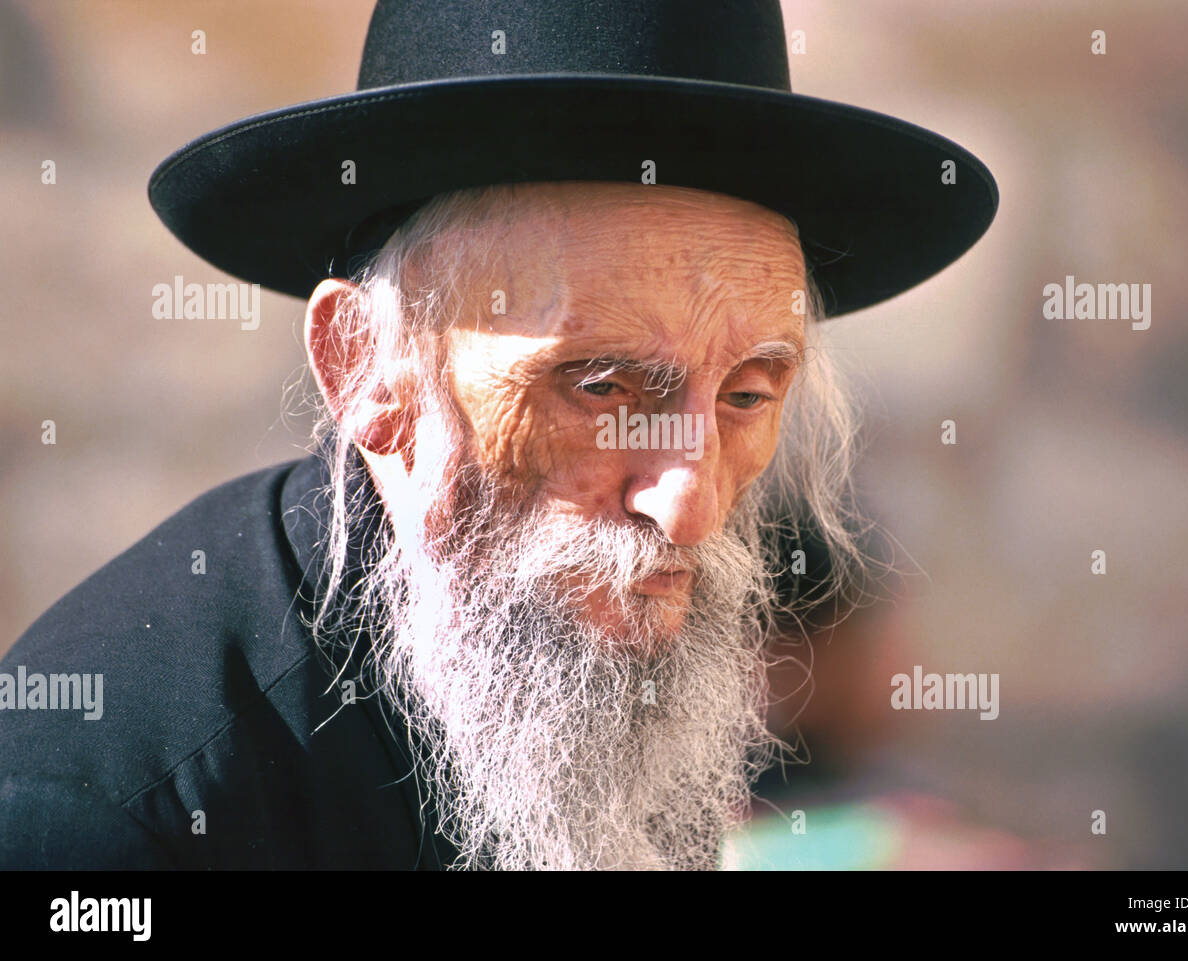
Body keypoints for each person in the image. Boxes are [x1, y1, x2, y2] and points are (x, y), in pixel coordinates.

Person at [0, 0, 996, 870]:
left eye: (745, 395)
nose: (689, 503)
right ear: (367, 370)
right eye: (600, 385)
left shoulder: (592, 654)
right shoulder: (107, 825)